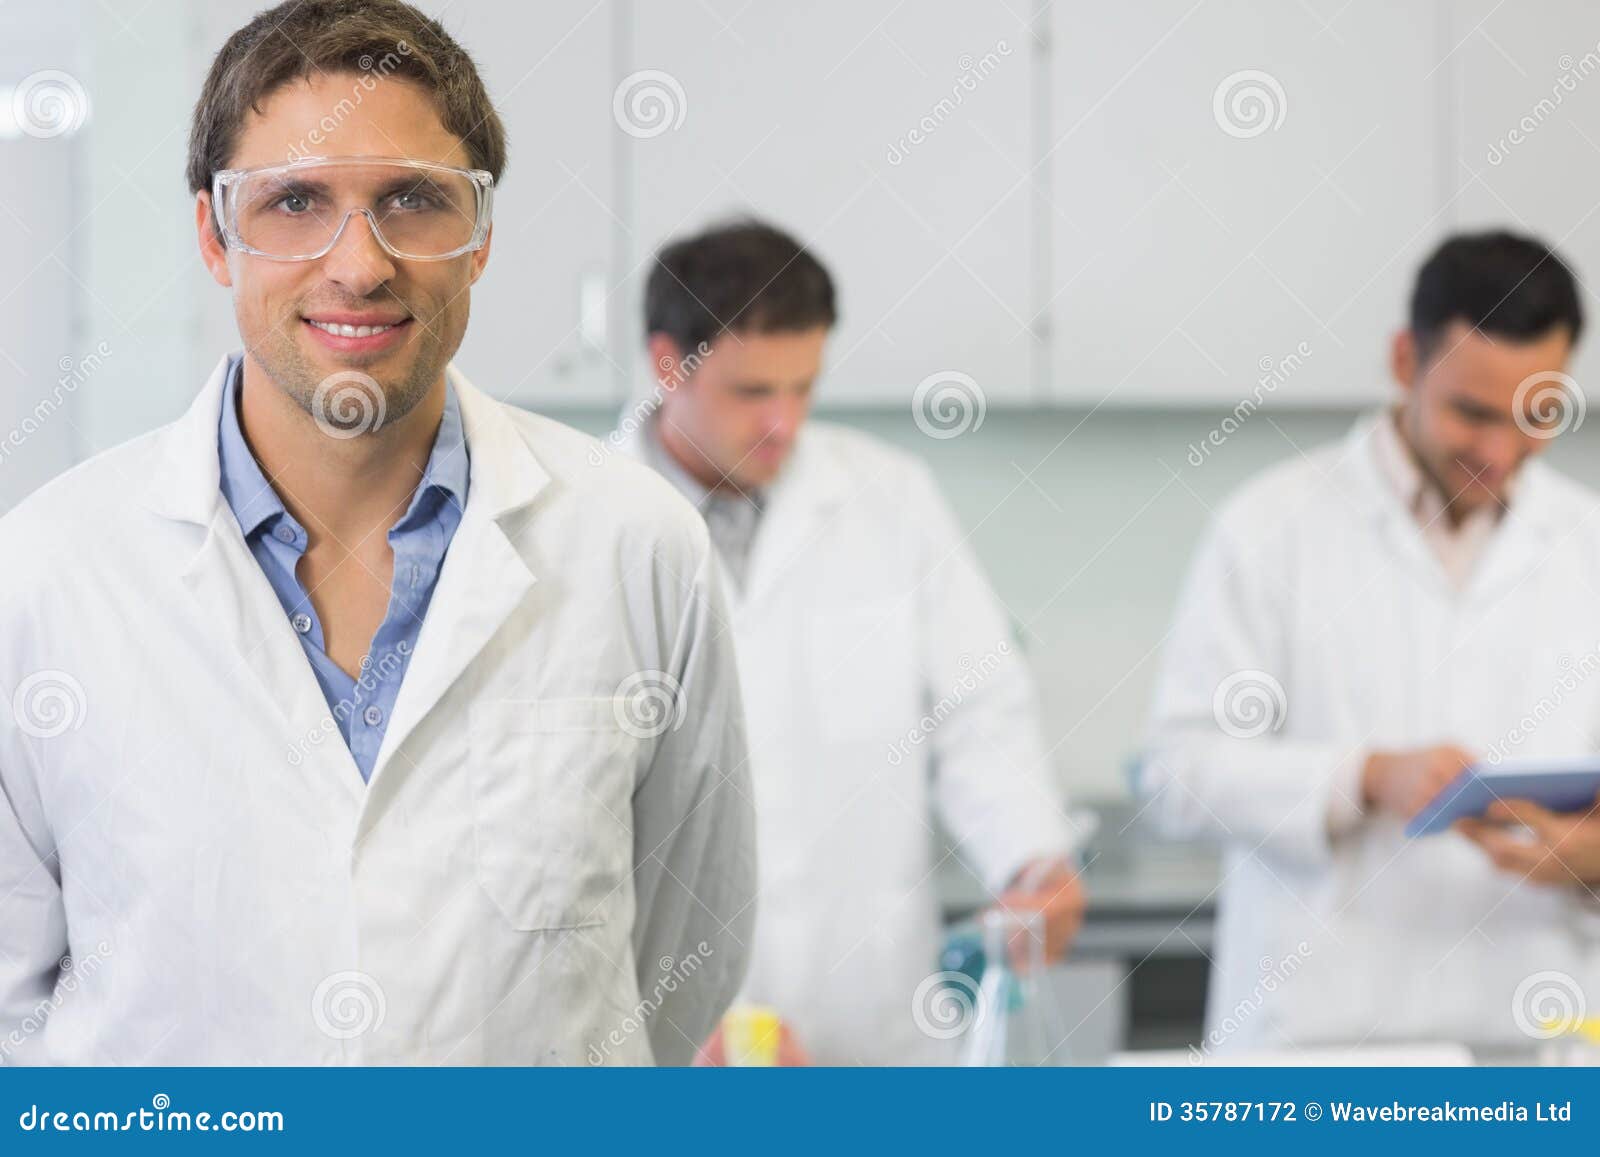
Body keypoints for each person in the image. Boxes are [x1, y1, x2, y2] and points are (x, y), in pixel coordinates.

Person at [0, 0, 754, 1065]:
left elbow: (689, 950)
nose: (359, 263)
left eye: (412, 199)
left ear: (480, 236)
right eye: (296, 201)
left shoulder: (635, 546)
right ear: (215, 236)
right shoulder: (46, 570)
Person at [611, 219, 1086, 1065]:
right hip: (670, 1031)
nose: (784, 422)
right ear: (665, 364)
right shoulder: (585, 518)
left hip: (874, 1018)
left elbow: (978, 707)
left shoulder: (889, 498)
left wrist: (1029, 858)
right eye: (753, 391)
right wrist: (673, 1004)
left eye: (804, 387)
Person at [1143, 230, 1600, 1054]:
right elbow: (1177, 774)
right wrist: (1362, 775)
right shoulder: (1271, 529)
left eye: (1537, 416)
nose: (1500, 453)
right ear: (1402, 361)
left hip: (1538, 1045)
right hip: (1325, 1051)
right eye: (1472, 412)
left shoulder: (1587, 541)